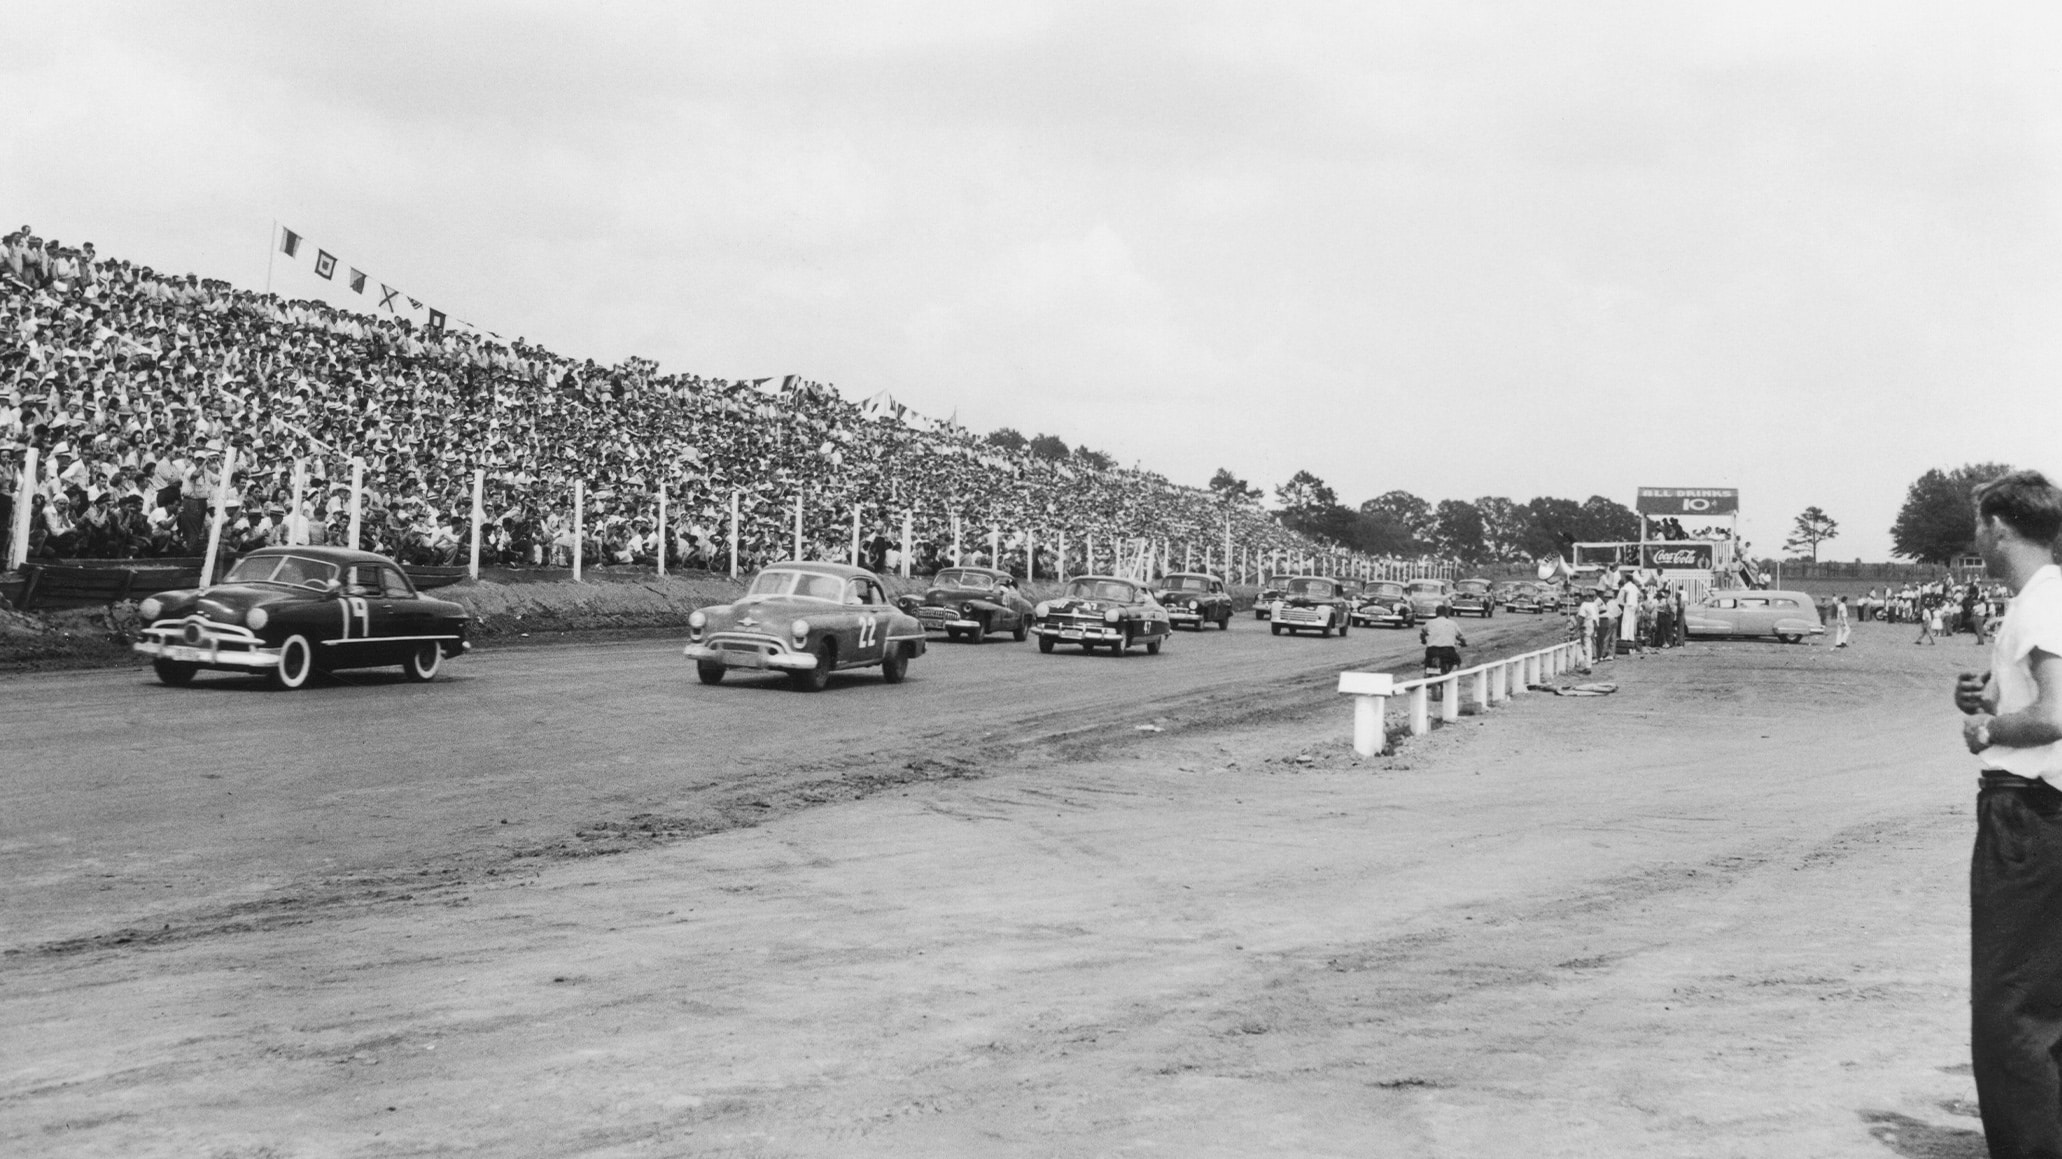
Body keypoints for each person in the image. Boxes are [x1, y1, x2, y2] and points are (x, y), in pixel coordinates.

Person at [1953, 469, 2062, 1157]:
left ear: (1998, 526)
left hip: (2025, 818)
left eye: (1979, 527)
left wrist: (1992, 732)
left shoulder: (2040, 602)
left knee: (2009, 1007)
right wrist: (1990, 702)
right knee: (2046, 998)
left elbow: (2054, 715)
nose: (1977, 539)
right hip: (2048, 810)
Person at [1420, 604, 1467, 698]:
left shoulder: (1430, 623)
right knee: (1457, 661)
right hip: (1448, 651)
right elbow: (1460, 636)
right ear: (1446, 613)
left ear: (1436, 613)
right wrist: (1463, 642)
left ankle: (1427, 673)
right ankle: (1451, 675)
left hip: (1432, 650)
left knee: (1427, 661)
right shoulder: (1452, 623)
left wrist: (1423, 640)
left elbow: (1422, 633)